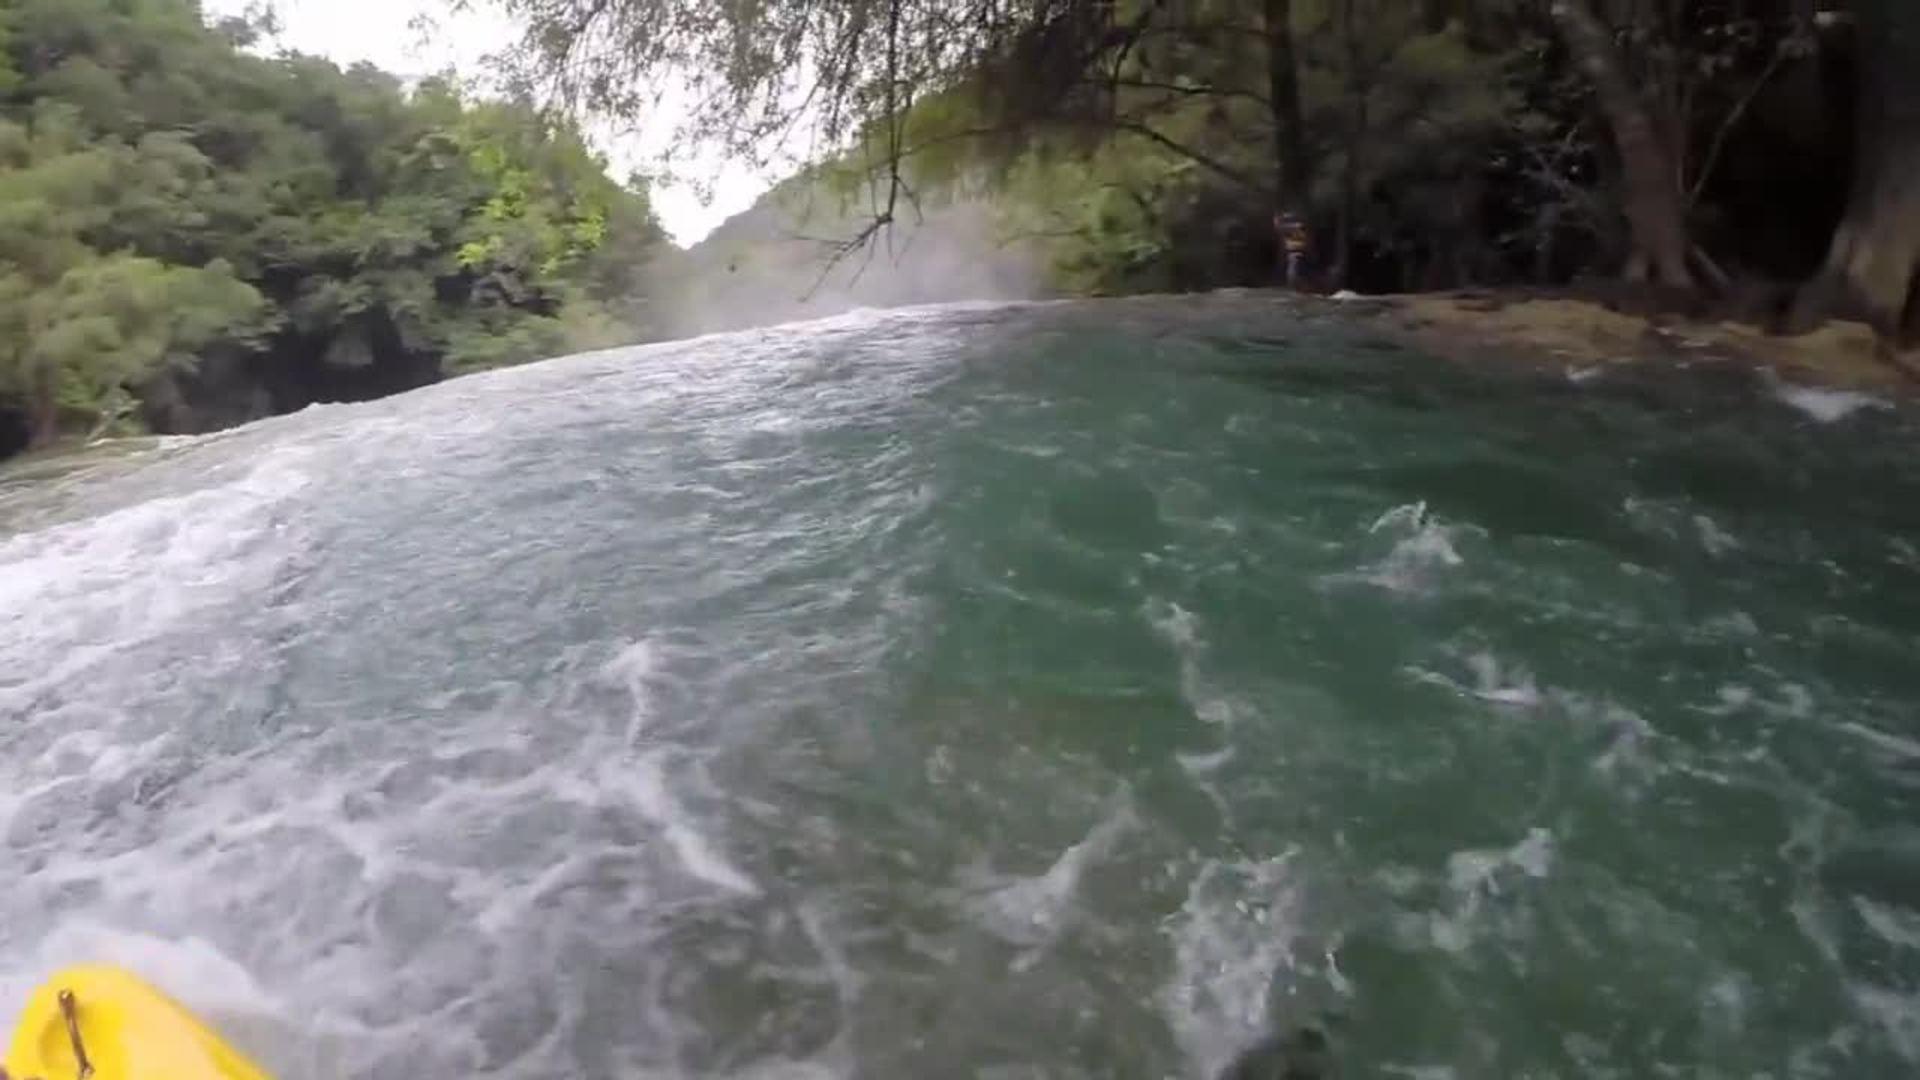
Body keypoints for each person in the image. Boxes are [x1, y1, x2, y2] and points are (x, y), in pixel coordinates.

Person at [1274, 210, 1310, 289]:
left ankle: (1294, 285)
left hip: (1296, 252)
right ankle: (1294, 285)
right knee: (1293, 270)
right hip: (1294, 252)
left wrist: (1279, 219)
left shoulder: (1296, 226)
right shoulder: (1294, 227)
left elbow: (1279, 226)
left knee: (1293, 270)